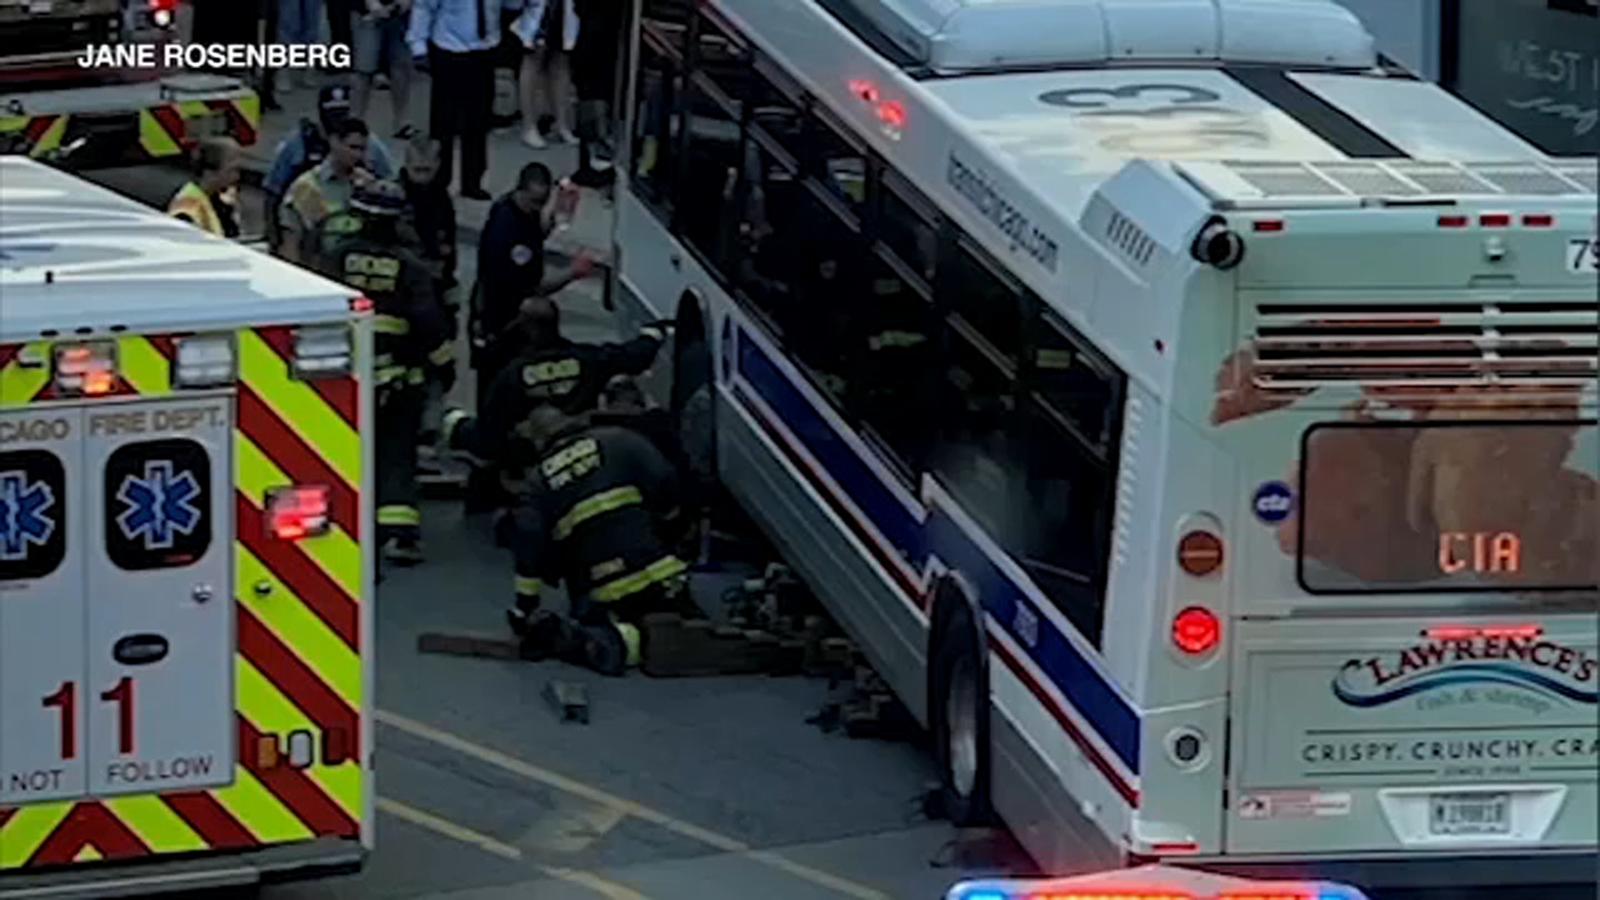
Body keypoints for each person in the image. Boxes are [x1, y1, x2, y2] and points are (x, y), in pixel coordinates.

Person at [504, 405, 699, 675]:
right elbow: (668, 484)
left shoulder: (537, 484)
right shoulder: (620, 439)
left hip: (603, 592)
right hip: (662, 572)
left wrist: (526, 606)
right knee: (689, 625)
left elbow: (529, 542)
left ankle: (601, 641)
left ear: (538, 441)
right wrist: (672, 539)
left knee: (617, 640)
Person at [324, 181, 453, 565]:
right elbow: (429, 324)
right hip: (397, 380)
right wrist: (445, 366)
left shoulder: (336, 257)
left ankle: (343, 524)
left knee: (341, 450)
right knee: (396, 452)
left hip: (341, 377)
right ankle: (397, 535)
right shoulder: (409, 266)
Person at [472, 162, 583, 388]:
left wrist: (557, 215)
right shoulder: (508, 233)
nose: (539, 207)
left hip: (497, 314)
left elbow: (533, 236)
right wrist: (573, 272)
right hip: (504, 321)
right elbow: (533, 287)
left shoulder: (513, 207)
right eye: (535, 201)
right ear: (521, 190)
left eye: (543, 201)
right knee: (502, 385)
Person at [264, 85, 397, 247]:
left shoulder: (370, 143)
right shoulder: (298, 142)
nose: (357, 154)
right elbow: (273, 190)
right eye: (332, 115)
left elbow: (390, 185)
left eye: (341, 114)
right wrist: (272, 237)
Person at [398, 134, 460, 442]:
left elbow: (449, 253)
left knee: (438, 366)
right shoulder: (396, 199)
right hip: (405, 302)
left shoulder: (440, 198)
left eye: (428, 170)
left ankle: (429, 427)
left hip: (436, 300)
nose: (423, 176)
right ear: (406, 164)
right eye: (417, 170)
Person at [407, 0, 501, 200]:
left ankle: (472, 181)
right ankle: (439, 179)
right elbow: (424, 7)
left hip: (485, 52)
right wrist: (418, 47)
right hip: (448, 50)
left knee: (479, 121)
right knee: (443, 123)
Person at [278, 116, 380, 266]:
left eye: (362, 149)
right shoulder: (307, 187)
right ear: (334, 141)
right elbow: (291, 245)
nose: (358, 155)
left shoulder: (368, 184)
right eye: (352, 147)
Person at [568, 0, 623, 187]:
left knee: (594, 89)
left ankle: (597, 157)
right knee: (591, 88)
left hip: (602, 27)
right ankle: (594, 157)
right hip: (599, 25)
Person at [513, 0, 576, 149]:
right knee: (534, 58)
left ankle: (561, 124)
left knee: (561, 60)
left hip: (564, 8)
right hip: (538, 9)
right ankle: (529, 126)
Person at [354, 0, 415, 132]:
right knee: (364, 69)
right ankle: (355, 121)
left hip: (401, 14)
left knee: (401, 67)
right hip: (367, 13)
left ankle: (401, 121)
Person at [168, 138, 243, 238]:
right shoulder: (186, 208)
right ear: (210, 172)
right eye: (232, 170)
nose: (237, 177)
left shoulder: (221, 199)